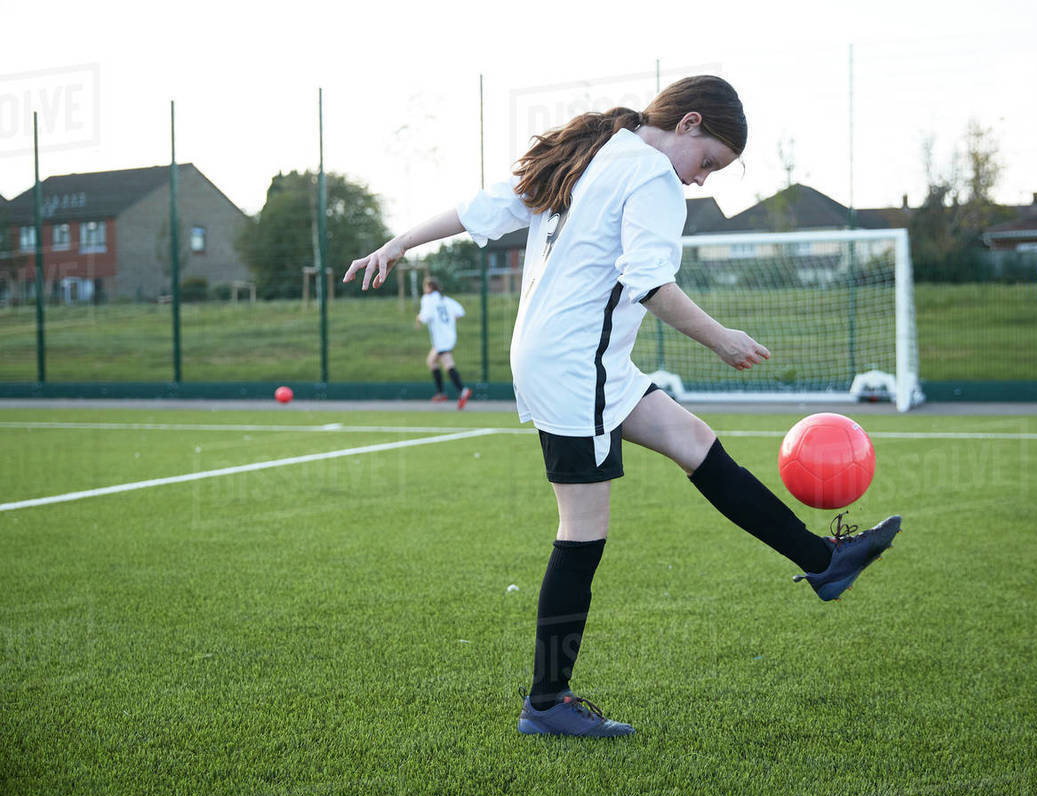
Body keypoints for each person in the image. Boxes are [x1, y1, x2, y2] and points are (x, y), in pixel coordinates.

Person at [344, 76, 901, 737]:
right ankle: (547, 703)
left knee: (693, 441)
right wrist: (720, 338)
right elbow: (650, 284)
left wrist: (398, 243)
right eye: (709, 163)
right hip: (575, 363)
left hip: (578, 357)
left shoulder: (594, 150)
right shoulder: (651, 176)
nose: (700, 181)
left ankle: (822, 562)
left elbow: (477, 210)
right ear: (689, 124)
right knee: (583, 529)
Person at [417, 277, 471, 408]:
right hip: (448, 335)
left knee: (448, 364)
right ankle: (441, 392)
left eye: (425, 287)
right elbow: (460, 312)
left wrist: (418, 318)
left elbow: (425, 317)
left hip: (441, 338)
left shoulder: (428, 299)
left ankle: (462, 390)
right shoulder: (445, 299)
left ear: (429, 288)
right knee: (431, 361)